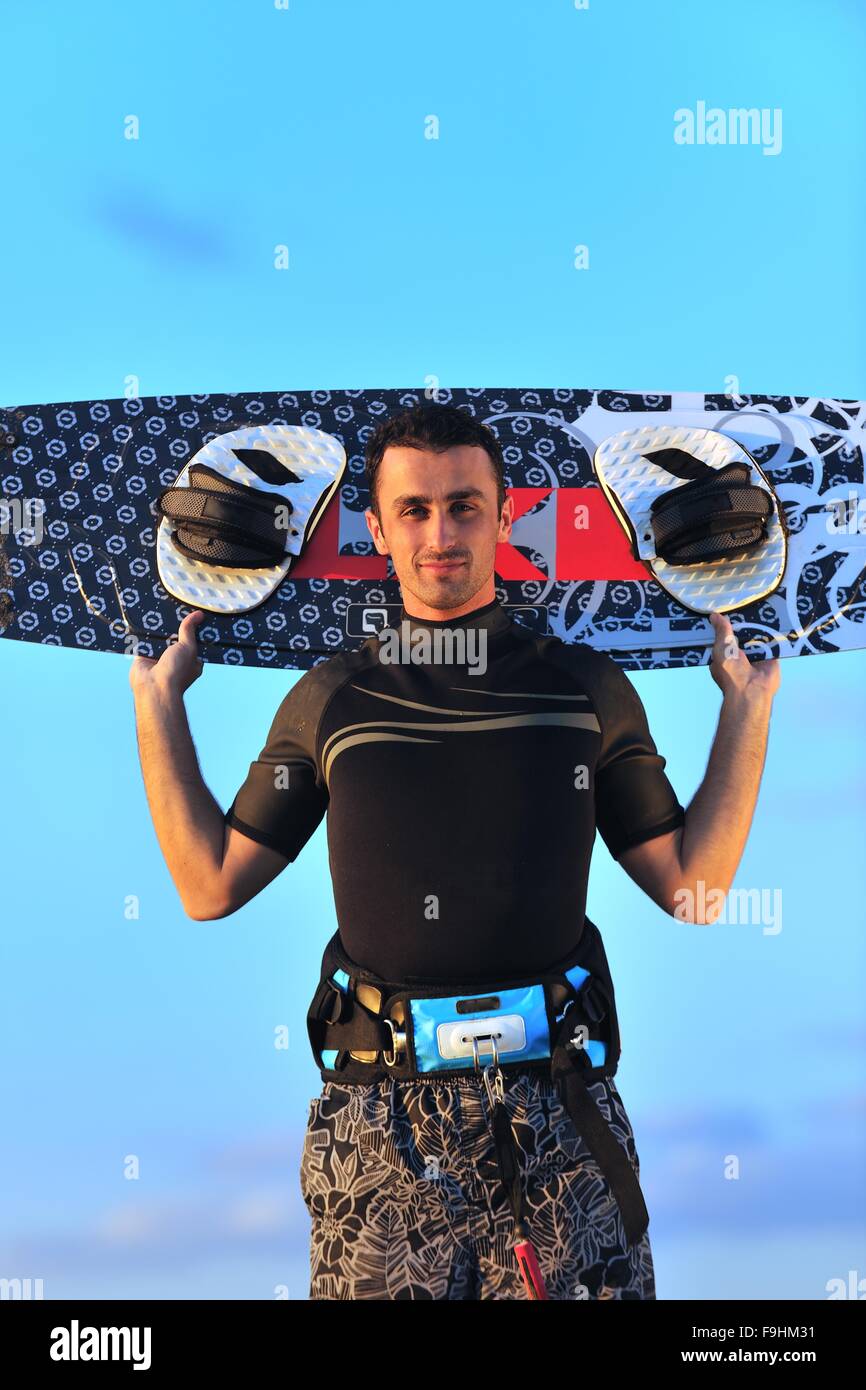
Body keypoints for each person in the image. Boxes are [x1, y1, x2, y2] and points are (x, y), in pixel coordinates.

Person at [129, 401, 781, 1300]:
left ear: (507, 518)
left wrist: (747, 711)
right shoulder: (332, 698)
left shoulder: (585, 688)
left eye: (465, 506)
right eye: (415, 509)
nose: (441, 532)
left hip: (556, 1123)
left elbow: (694, 887)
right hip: (380, 1128)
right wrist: (157, 706)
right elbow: (208, 884)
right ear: (379, 530)